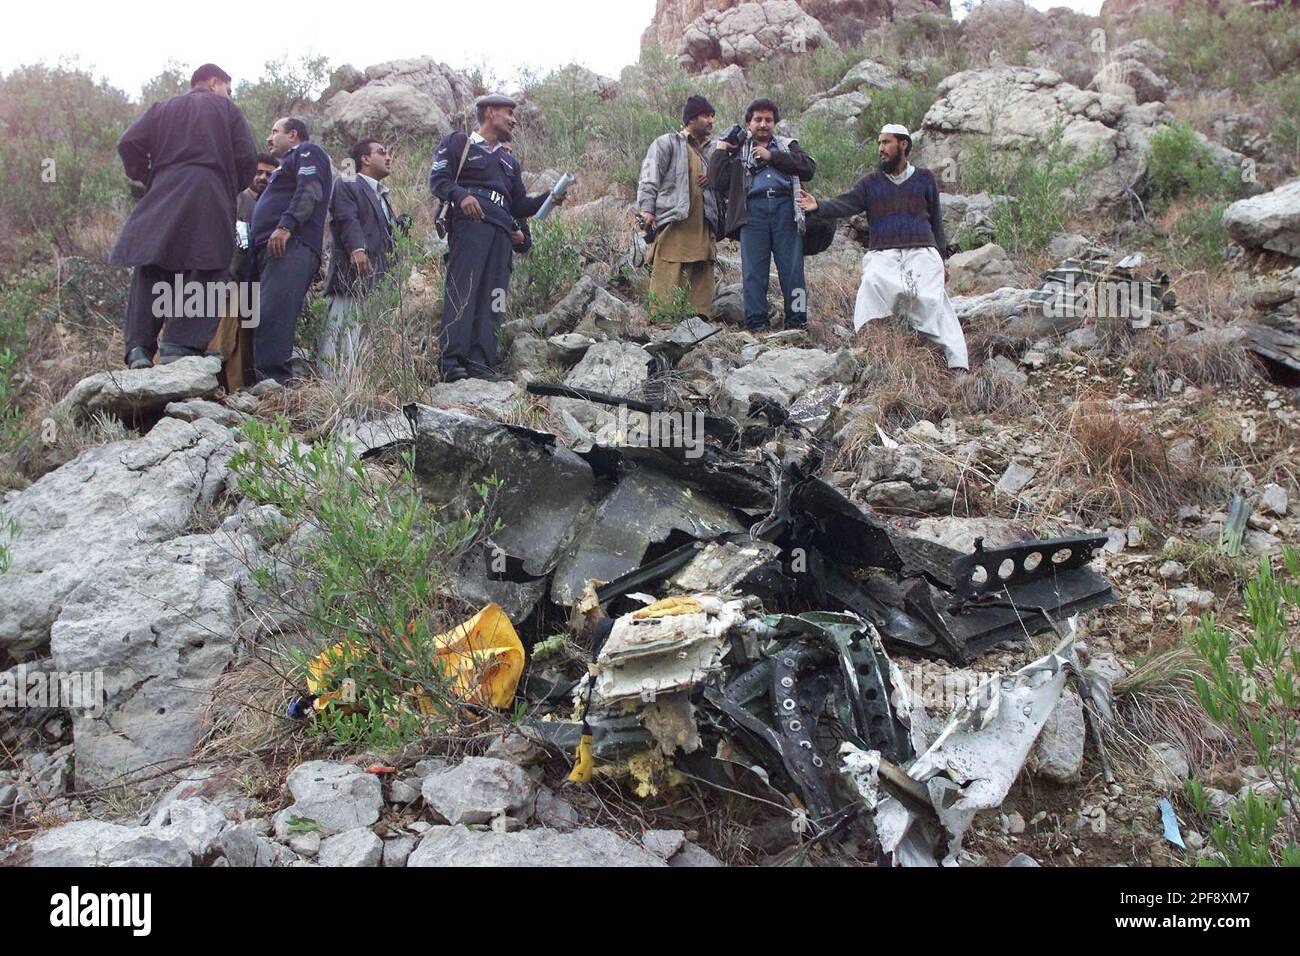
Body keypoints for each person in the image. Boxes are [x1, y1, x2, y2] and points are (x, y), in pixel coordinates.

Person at [110, 63, 258, 369]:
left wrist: (150, 176)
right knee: (210, 265)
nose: (228, 96)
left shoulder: (162, 108)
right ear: (214, 82)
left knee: (153, 263)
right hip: (210, 189)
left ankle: (138, 349)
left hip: (164, 188)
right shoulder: (226, 110)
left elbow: (128, 143)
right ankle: (180, 347)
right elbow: (247, 159)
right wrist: (227, 186)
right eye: (228, 90)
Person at [796, 123, 969, 372]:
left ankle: (956, 363)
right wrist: (819, 205)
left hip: (921, 249)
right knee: (872, 284)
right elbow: (847, 203)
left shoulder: (925, 179)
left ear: (903, 144)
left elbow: (936, 222)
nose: (881, 148)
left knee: (932, 299)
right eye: (879, 143)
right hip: (883, 252)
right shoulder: (870, 183)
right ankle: (873, 348)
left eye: (886, 142)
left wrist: (941, 260)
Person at [429, 94, 564, 382]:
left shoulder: (509, 162)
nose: (514, 119)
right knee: (462, 290)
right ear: (490, 112)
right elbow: (438, 181)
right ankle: (452, 362)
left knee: (496, 297)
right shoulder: (458, 143)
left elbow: (519, 204)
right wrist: (461, 195)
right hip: (470, 227)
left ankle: (482, 363)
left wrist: (549, 198)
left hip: (502, 234)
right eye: (509, 113)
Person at [709, 98, 816, 331]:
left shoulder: (788, 145)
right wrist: (721, 150)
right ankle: (757, 323)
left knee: (793, 271)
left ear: (775, 123)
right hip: (752, 212)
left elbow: (808, 168)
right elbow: (717, 181)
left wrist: (772, 156)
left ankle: (798, 321)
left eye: (768, 120)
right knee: (753, 272)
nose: (763, 124)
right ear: (749, 123)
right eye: (758, 119)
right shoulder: (737, 151)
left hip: (786, 209)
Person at [250, 117, 333, 384]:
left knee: (275, 312)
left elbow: (310, 190)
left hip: (290, 246)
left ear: (293, 135)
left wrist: (286, 226)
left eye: (275, 132)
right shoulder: (284, 166)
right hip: (271, 249)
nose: (269, 138)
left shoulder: (308, 152)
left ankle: (274, 382)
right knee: (264, 312)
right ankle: (262, 378)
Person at [320, 138, 399, 378]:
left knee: (365, 338)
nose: (388, 158)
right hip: (352, 276)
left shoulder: (380, 195)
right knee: (343, 336)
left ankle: (361, 390)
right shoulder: (348, 182)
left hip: (376, 279)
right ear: (364, 159)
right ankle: (334, 389)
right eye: (382, 152)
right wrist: (357, 249)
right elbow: (346, 217)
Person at [637, 95, 720, 317]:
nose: (711, 120)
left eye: (713, 116)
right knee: (669, 264)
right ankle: (663, 318)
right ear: (691, 118)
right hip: (675, 218)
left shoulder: (714, 150)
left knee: (702, 264)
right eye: (706, 115)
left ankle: (697, 320)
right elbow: (649, 177)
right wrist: (647, 209)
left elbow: (727, 181)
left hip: (705, 220)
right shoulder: (666, 143)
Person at [211, 152, 279, 390]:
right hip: (229, 281)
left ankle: (240, 391)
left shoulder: (271, 205)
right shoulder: (238, 199)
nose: (262, 178)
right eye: (258, 172)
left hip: (256, 285)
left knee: (246, 342)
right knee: (224, 340)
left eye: (269, 174)